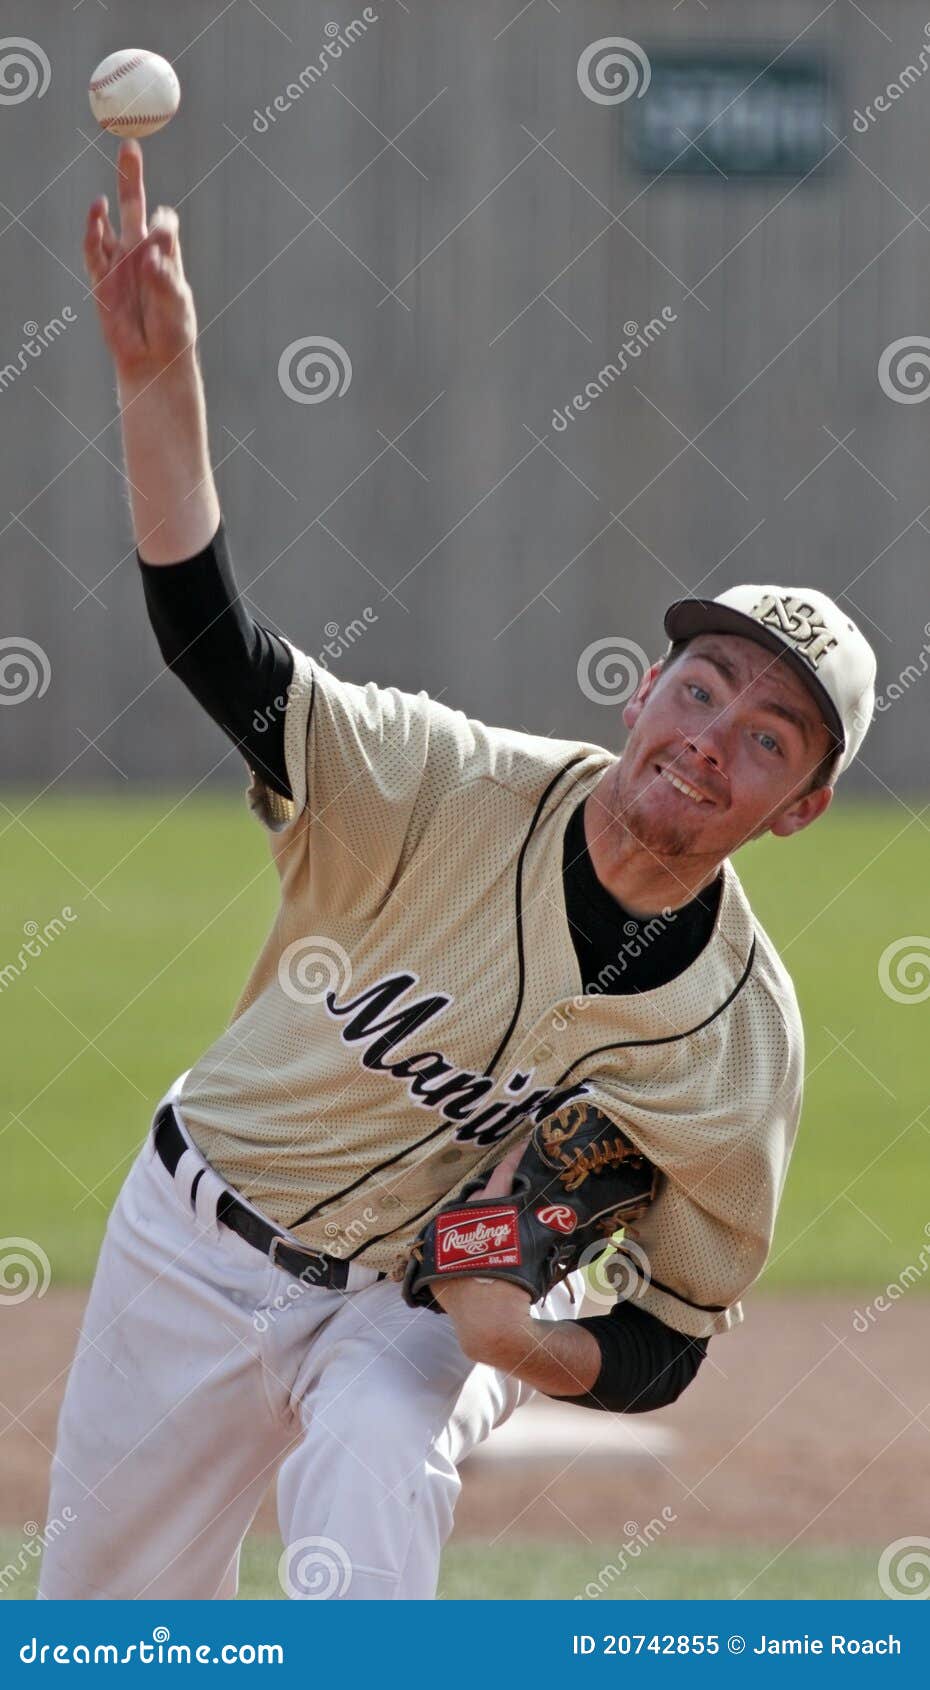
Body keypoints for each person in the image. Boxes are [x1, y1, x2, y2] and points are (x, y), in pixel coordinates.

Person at [38, 142, 876, 1601]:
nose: (708, 738)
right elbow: (212, 651)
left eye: (765, 737)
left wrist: (518, 1340)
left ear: (795, 809)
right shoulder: (438, 778)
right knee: (107, 1628)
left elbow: (669, 1326)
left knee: (375, 1443)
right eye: (701, 686)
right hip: (192, 1241)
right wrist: (154, 379)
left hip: (408, 1308)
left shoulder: (739, 1044)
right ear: (640, 691)